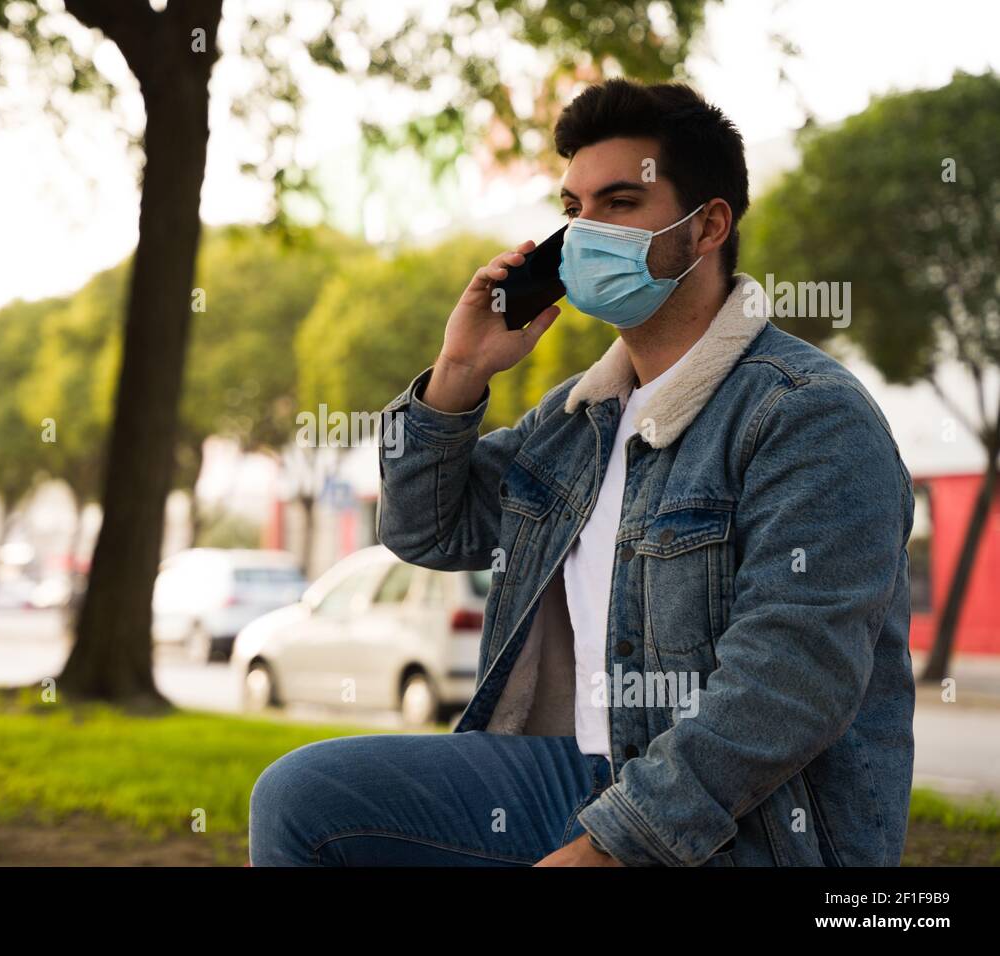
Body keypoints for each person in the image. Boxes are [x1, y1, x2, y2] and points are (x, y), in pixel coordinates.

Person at [248, 78, 915, 867]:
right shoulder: (580, 417)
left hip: (748, 825)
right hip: (574, 778)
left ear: (707, 226)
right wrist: (458, 370)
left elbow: (792, 679)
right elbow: (423, 528)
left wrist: (611, 848)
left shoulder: (807, 415)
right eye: (573, 209)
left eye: (620, 203)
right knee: (302, 800)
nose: (583, 234)